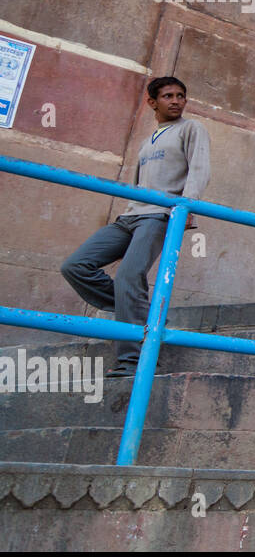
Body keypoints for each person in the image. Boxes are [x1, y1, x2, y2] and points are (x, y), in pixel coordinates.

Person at [60, 76, 210, 376]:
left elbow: (200, 168)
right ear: (153, 102)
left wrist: (188, 205)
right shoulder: (147, 141)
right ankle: (144, 314)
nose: (176, 101)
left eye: (181, 95)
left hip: (159, 215)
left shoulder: (192, 129)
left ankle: (133, 360)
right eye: (168, 96)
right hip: (130, 216)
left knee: (130, 276)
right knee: (76, 266)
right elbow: (139, 183)